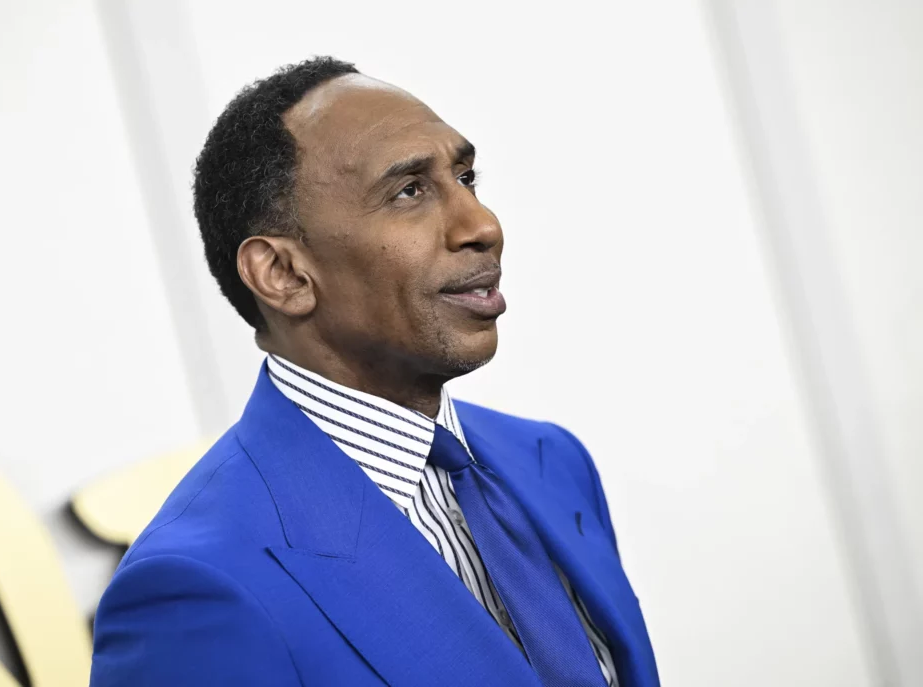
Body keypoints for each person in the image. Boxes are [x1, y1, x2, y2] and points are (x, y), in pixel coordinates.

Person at [89, 56, 658, 687]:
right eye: (408, 191)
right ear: (283, 274)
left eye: (466, 177)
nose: (483, 225)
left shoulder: (552, 461)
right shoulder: (195, 589)